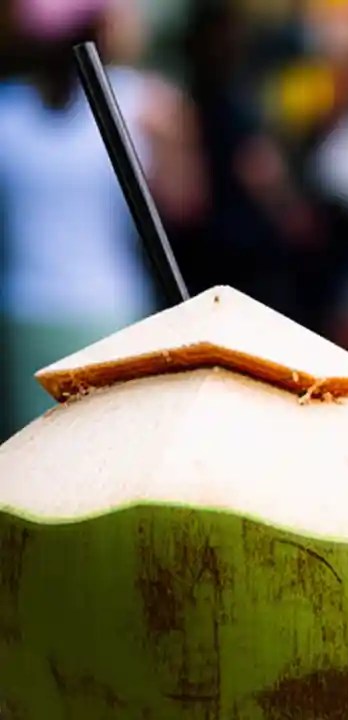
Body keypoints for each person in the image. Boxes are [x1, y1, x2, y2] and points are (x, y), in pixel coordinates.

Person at [0, 0, 203, 439]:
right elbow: (186, 202)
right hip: (109, 309)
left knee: (32, 462)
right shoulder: (146, 102)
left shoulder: (8, 109)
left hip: (25, 308)